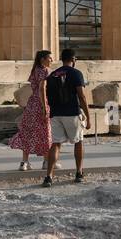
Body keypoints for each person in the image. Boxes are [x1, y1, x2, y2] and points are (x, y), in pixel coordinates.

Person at [42, 48, 90, 187]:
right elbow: (81, 96)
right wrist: (88, 117)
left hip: (56, 114)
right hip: (72, 113)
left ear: (62, 59)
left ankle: (49, 176)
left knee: (55, 145)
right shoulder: (76, 73)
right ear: (73, 60)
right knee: (78, 142)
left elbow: (47, 95)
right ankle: (79, 172)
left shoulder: (53, 75)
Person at [9, 50, 52, 170]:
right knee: (45, 132)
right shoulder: (44, 71)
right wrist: (44, 107)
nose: (51, 60)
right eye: (49, 58)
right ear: (42, 59)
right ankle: (46, 161)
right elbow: (42, 89)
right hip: (40, 103)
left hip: (31, 104)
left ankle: (24, 162)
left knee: (28, 132)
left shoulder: (34, 70)